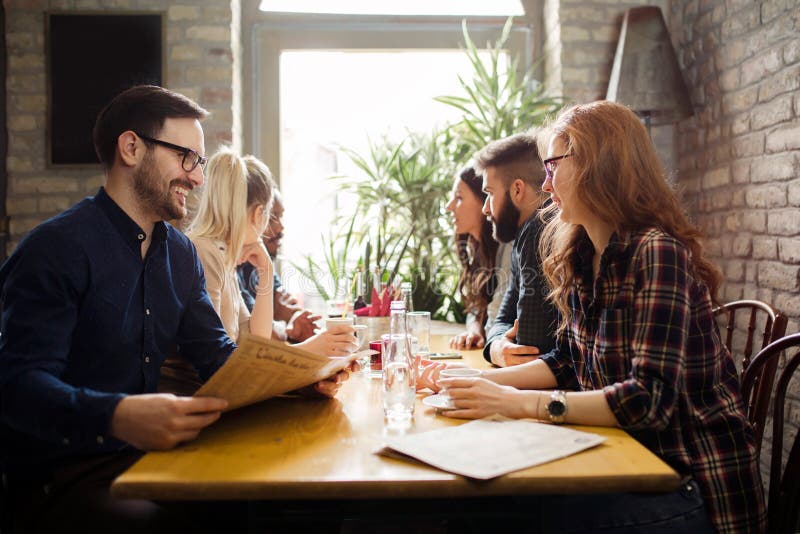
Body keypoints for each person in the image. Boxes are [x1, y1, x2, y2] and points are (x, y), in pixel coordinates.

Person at [0, 85, 352, 533]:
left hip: (155, 460)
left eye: (199, 162)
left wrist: (305, 379)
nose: (198, 178)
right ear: (131, 148)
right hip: (68, 476)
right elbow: (17, 387)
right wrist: (119, 415)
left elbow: (219, 359)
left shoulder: (179, 254)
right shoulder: (56, 248)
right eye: (186, 158)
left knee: (279, 502)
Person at [436, 101, 766, 532]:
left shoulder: (656, 252)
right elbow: (566, 361)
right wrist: (475, 384)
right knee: (477, 507)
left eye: (553, 166)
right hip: (624, 459)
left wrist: (517, 404)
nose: (545, 182)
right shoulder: (581, 253)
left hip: (691, 484)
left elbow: (647, 401)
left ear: (599, 165)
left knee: (508, 517)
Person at [189, 149, 354, 355]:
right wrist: (313, 348)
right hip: (198, 387)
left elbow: (257, 338)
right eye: (269, 213)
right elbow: (213, 353)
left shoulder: (223, 256)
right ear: (260, 213)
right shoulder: (205, 253)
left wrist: (266, 269)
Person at [476, 133, 559, 367]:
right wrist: (496, 348)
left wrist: (499, 348)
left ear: (517, 190)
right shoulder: (523, 234)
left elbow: (529, 347)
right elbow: (502, 319)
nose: (485, 209)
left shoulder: (537, 230)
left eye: (490, 193)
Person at [237, 189, 319, 343]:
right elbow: (263, 337)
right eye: (271, 217)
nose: (280, 227)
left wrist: (293, 325)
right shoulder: (234, 268)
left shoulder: (262, 261)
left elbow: (284, 307)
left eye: (280, 216)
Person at [446, 165, 512, 350]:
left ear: (484, 200)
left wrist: (485, 335)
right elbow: (477, 305)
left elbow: (499, 311)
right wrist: (475, 328)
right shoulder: (475, 249)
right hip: (493, 347)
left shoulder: (509, 245)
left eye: (459, 198)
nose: (449, 206)